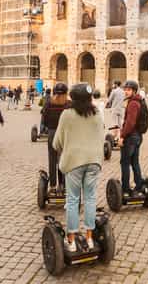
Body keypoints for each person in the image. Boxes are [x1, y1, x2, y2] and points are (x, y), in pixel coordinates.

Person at [52, 83, 105, 252]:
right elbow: (101, 136)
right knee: (90, 199)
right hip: (94, 161)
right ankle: (90, 238)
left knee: (73, 200)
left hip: (74, 161)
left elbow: (57, 142)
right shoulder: (97, 113)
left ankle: (72, 240)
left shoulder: (67, 114)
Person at [119, 80, 146, 197]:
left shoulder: (133, 103)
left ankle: (125, 189)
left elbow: (130, 123)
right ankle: (139, 187)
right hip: (138, 136)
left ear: (134, 91)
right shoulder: (139, 101)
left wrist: (122, 136)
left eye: (128, 89)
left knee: (125, 163)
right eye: (125, 89)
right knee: (134, 162)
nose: (126, 91)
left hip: (131, 137)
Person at [42, 83, 71, 190]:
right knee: (64, 159)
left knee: (52, 159)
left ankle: (53, 185)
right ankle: (63, 184)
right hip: (65, 135)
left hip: (52, 133)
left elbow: (44, 120)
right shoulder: (68, 104)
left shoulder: (48, 103)